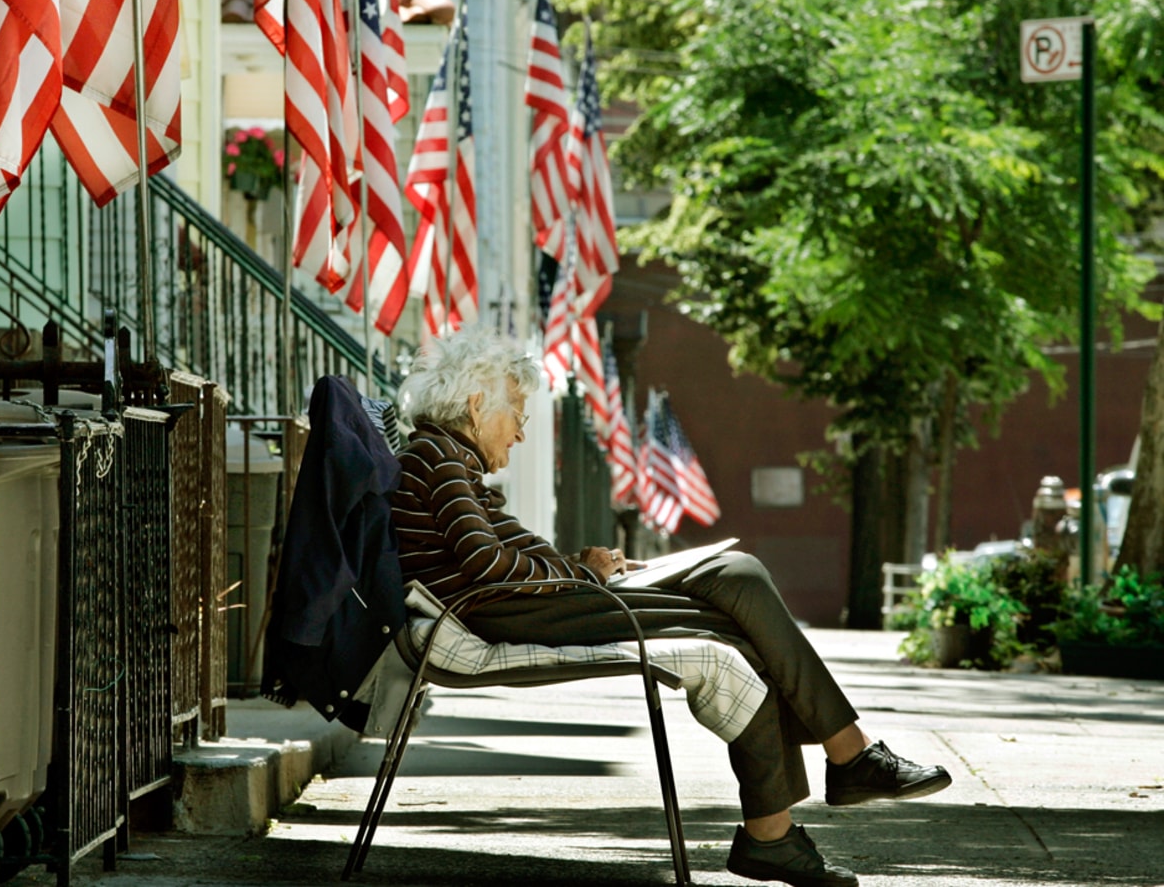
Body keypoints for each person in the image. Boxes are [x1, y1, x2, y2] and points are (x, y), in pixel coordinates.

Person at [390, 327, 951, 887]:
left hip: (523, 605)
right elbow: (487, 565)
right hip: (504, 613)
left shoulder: (445, 458)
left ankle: (799, 809)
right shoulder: (439, 457)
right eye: (516, 411)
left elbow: (489, 555)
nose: (520, 430)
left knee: (738, 580)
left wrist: (582, 563)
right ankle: (819, 789)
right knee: (737, 606)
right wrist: (581, 572)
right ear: (474, 404)